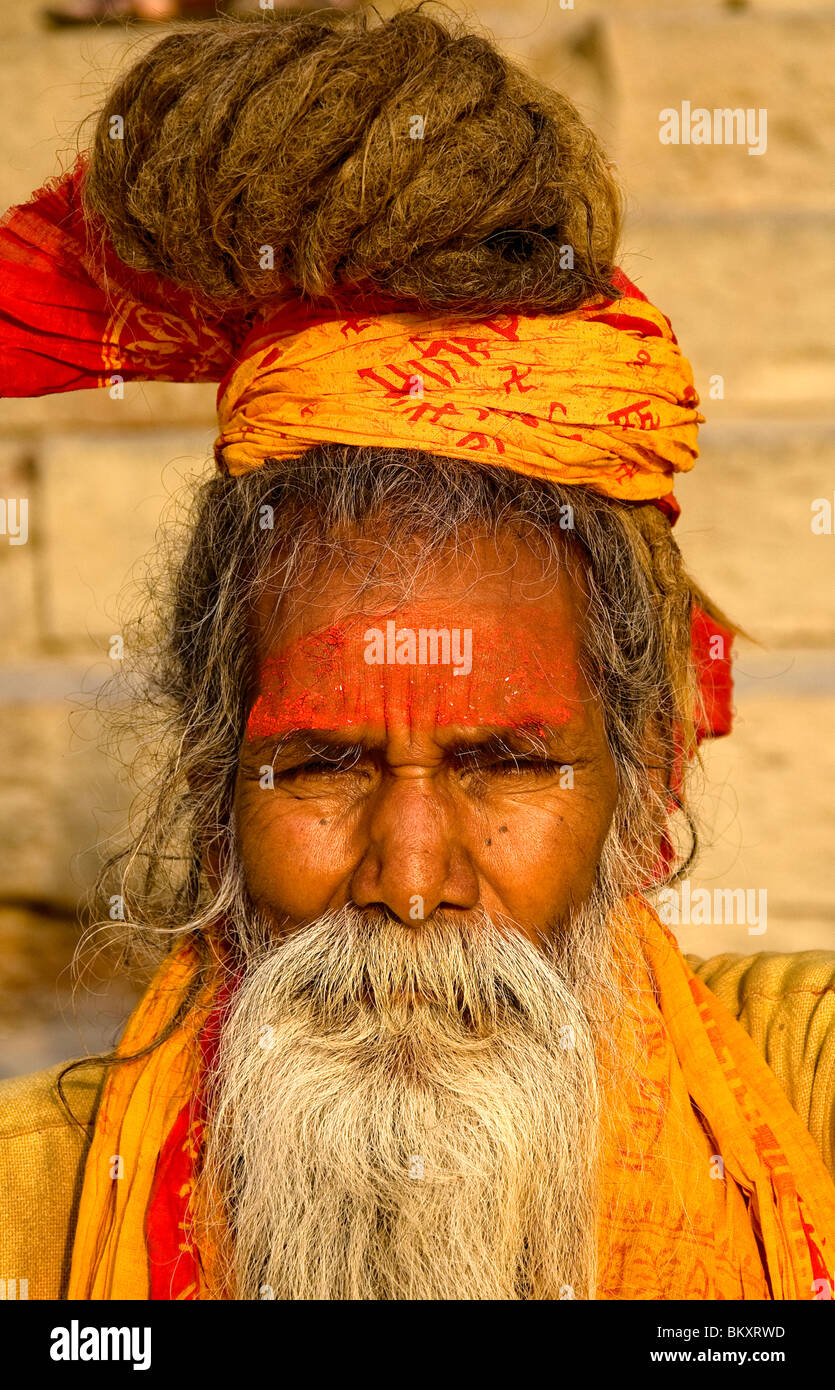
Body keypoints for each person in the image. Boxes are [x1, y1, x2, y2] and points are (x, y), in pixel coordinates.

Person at [1, 9, 834, 1302]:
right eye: (321, 765)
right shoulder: (34, 1211)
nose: (409, 879)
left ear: (645, 776)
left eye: (506, 762)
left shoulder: (803, 1093)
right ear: (215, 800)